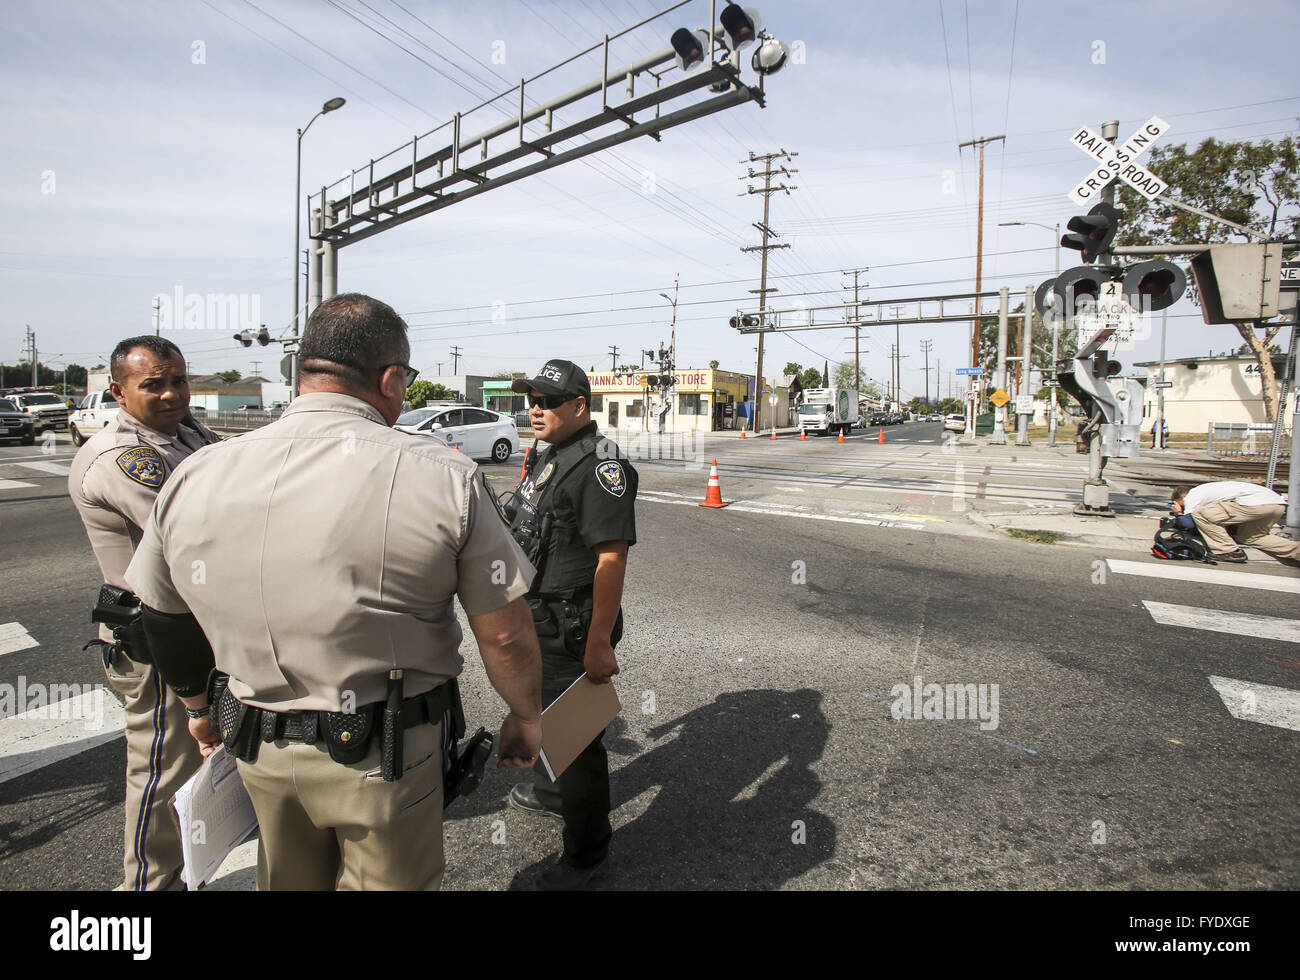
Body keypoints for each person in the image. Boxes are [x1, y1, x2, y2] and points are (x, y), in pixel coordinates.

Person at [123, 293, 543, 890]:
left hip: (256, 745)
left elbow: (162, 614)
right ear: (391, 378)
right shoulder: (443, 475)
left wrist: (196, 706)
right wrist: (525, 714)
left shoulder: (196, 472)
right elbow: (504, 632)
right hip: (385, 753)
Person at [67, 335, 222, 891]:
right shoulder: (121, 456)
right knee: (161, 771)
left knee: (200, 767)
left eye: (178, 380)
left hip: (193, 626)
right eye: (152, 384)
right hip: (153, 638)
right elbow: (194, 526)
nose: (170, 393)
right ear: (118, 391)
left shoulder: (187, 433)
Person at [503, 359, 637, 890]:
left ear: (579, 406)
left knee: (576, 742)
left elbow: (611, 560)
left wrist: (600, 643)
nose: (535, 409)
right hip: (537, 614)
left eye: (548, 401)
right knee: (538, 713)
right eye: (531, 399)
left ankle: (587, 855)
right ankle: (551, 792)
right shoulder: (549, 456)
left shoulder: (599, 469)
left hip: (573, 623)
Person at [1170, 482, 1300, 566]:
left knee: (1199, 514)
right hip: (1277, 505)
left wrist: (1178, 513)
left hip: (1254, 504)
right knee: (1252, 537)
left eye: (1181, 504)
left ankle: (1228, 551)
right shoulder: (1209, 489)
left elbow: (1188, 522)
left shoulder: (1193, 495)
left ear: (1182, 498)